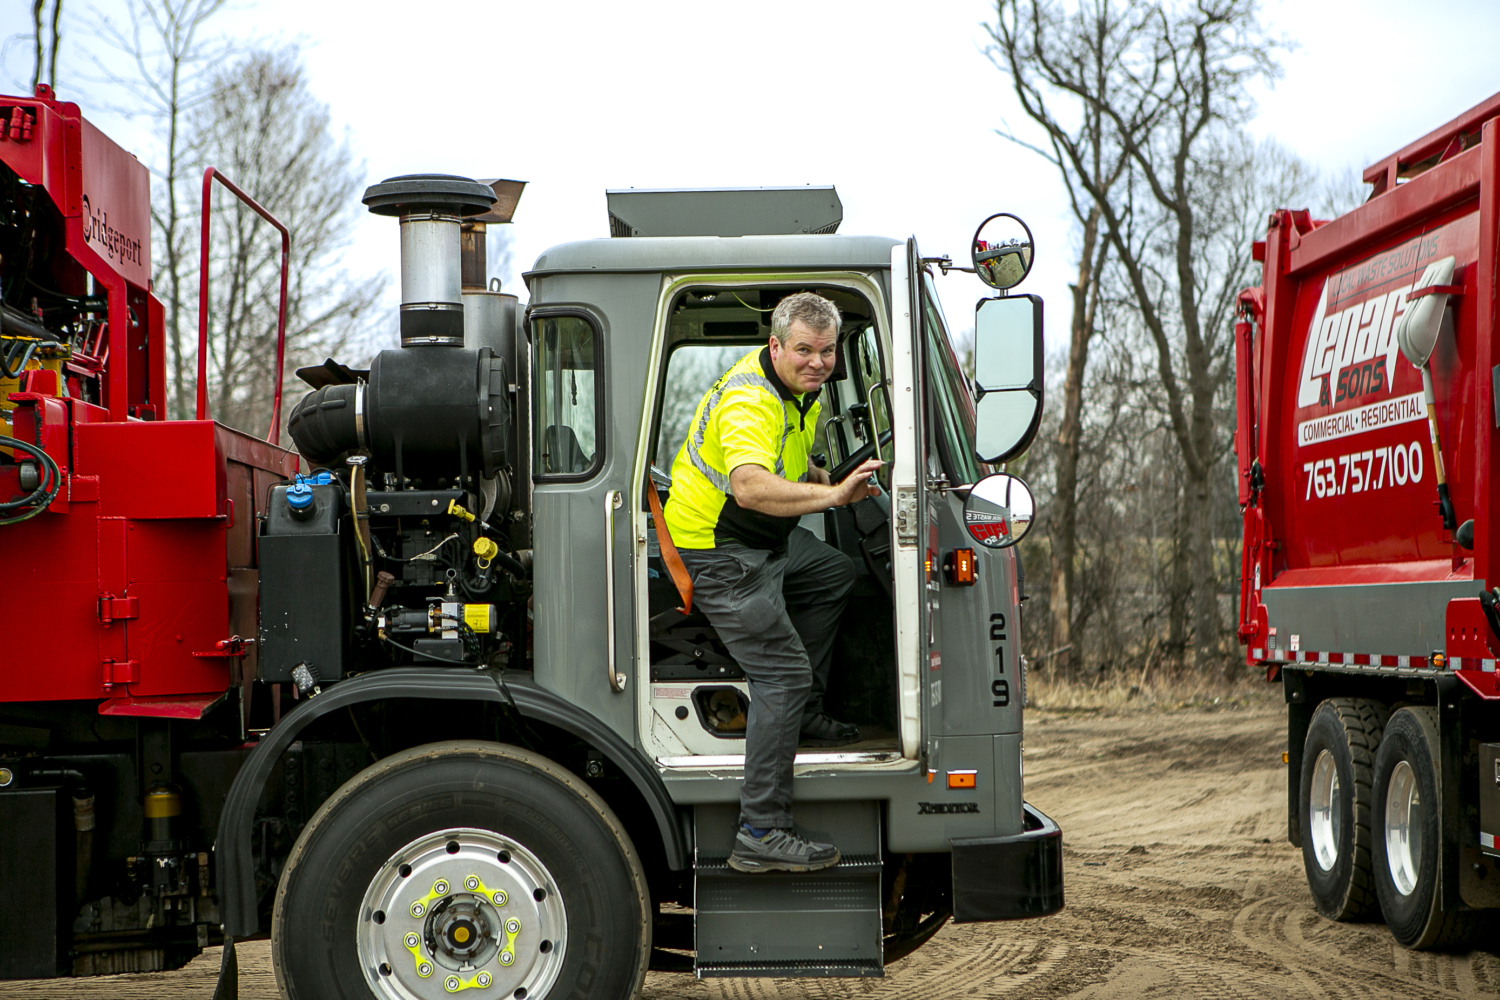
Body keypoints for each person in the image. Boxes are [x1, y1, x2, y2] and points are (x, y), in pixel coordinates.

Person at [663, 291, 883, 873]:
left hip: (764, 541)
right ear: (776, 346)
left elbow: (781, 459)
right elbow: (749, 486)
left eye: (828, 351)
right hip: (719, 550)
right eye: (805, 350)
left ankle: (800, 714)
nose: (819, 362)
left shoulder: (796, 391)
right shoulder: (750, 399)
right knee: (783, 673)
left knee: (833, 572)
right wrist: (834, 496)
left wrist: (820, 475)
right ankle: (761, 830)